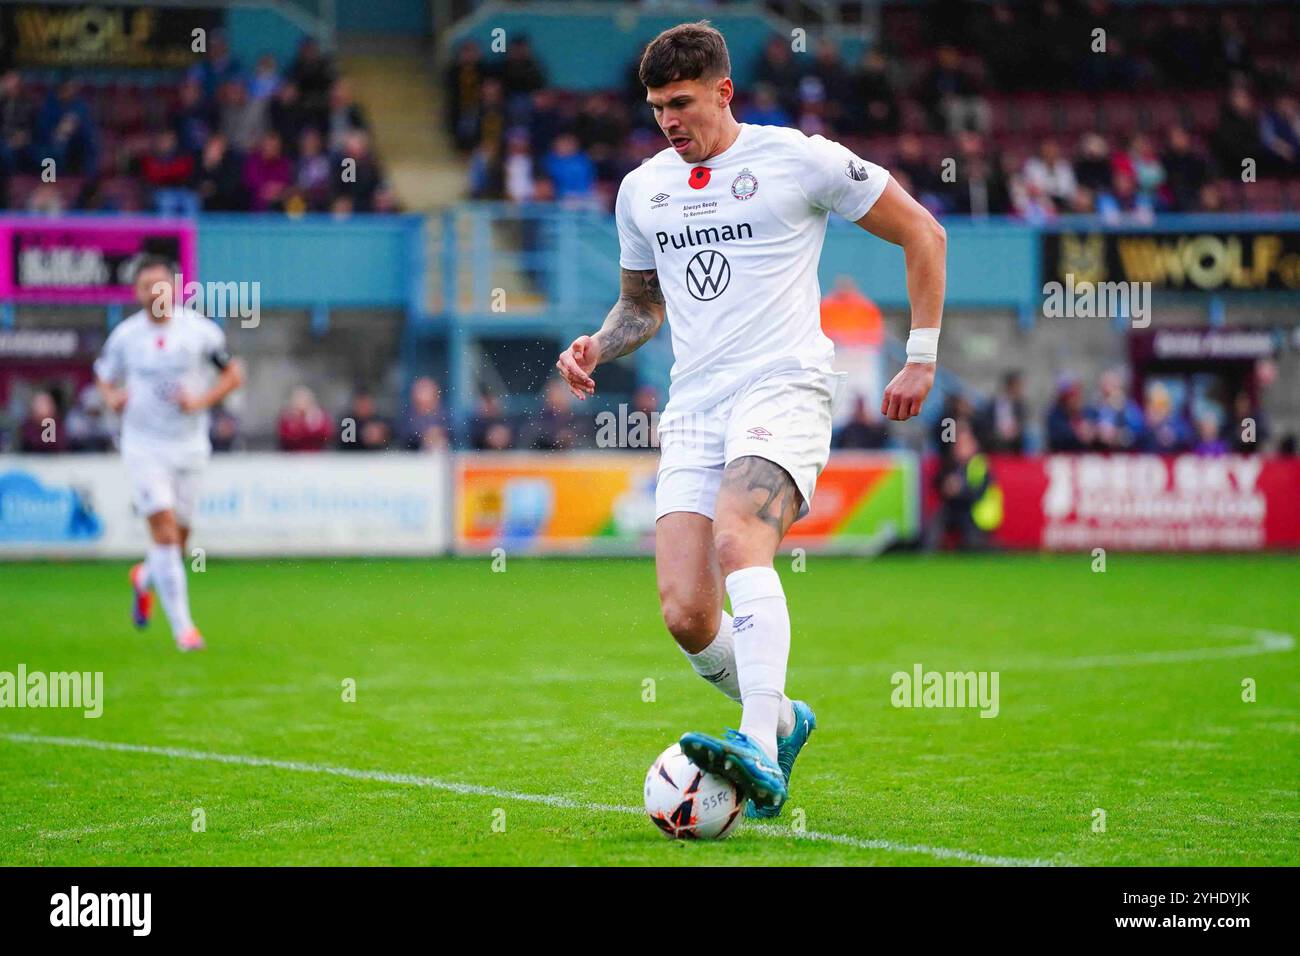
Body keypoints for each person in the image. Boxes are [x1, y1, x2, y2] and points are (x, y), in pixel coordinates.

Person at [554, 22, 945, 819]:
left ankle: (756, 749)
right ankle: (785, 717)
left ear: (724, 92)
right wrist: (600, 343)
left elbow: (922, 231)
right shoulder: (644, 190)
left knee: (740, 537)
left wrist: (922, 353)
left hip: (785, 385)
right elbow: (642, 304)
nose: (669, 121)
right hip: (695, 404)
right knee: (687, 613)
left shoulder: (798, 160)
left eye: (683, 103)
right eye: (658, 107)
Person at [94, 257, 245, 651]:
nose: (155, 292)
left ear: (175, 288)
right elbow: (104, 374)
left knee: (177, 542)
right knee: (162, 530)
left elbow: (233, 374)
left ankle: (144, 578)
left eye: (161, 284)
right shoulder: (126, 336)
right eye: (147, 286)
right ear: (137, 293)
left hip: (190, 446)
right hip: (144, 447)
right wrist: (111, 397)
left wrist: (201, 402)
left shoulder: (200, 333)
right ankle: (185, 630)